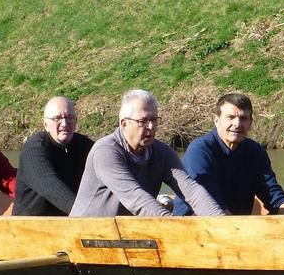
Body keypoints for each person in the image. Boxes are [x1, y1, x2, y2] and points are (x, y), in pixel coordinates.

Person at [70, 89, 225, 217]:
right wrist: (175, 226)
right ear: (124, 124)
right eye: (143, 121)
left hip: (127, 236)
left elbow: (191, 190)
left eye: (154, 119)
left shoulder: (162, 152)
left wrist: (221, 222)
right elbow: (136, 198)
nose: (151, 126)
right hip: (86, 237)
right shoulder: (106, 151)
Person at [172, 93, 284, 215]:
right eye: (230, 117)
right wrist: (236, 228)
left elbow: (271, 192)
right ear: (216, 121)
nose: (237, 124)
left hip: (237, 225)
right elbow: (209, 200)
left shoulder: (255, 152)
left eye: (243, 118)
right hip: (197, 223)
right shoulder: (200, 150)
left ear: (250, 123)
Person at [12, 96, 95, 216]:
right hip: (29, 229)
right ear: (45, 124)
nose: (64, 123)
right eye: (57, 118)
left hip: (69, 226)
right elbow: (51, 186)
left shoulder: (85, 146)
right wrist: (86, 215)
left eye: (70, 118)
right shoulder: (34, 148)